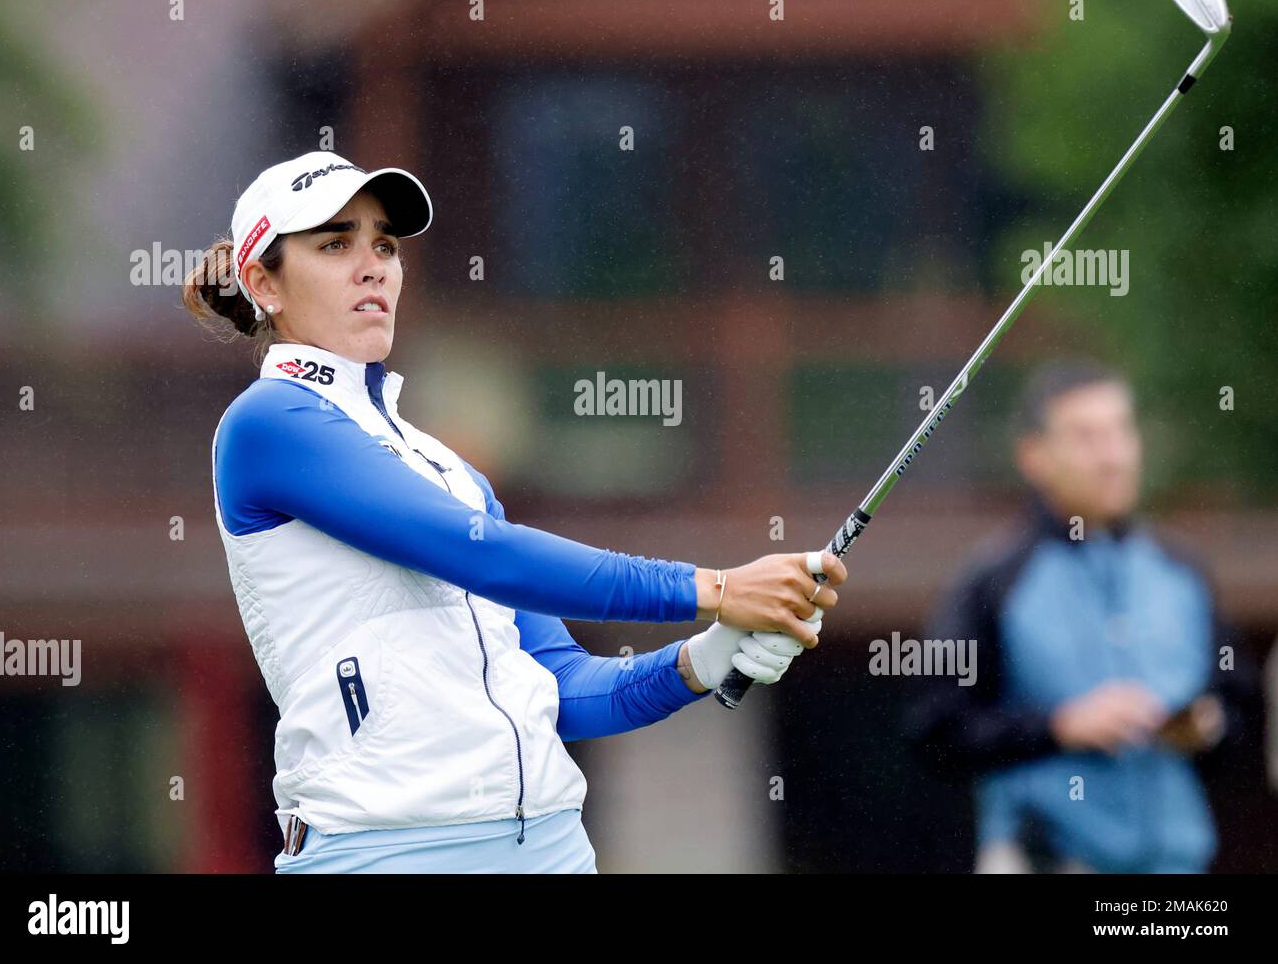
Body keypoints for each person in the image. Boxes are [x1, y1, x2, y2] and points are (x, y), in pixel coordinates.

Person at [181, 151, 848, 873]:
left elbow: (563, 689)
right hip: (383, 853)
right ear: (262, 283)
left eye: (384, 244)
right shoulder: (267, 423)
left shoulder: (451, 471)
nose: (373, 265)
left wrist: (705, 654)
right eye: (335, 244)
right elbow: (483, 554)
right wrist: (715, 586)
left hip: (552, 848)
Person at [907, 359, 1255, 873]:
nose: (1112, 456)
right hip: (1048, 858)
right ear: (1035, 456)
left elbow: (1238, 707)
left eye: (1121, 431)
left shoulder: (1182, 570)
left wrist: (1205, 726)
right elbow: (935, 730)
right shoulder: (994, 580)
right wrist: (1060, 727)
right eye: (1087, 437)